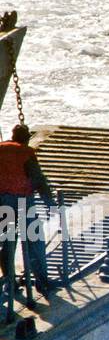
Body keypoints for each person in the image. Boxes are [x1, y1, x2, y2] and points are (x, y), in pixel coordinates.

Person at [1, 124, 55, 310]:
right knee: (34, 238)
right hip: (23, 200)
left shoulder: (1, 148)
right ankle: (41, 282)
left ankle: (10, 282)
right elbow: (38, 179)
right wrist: (50, 204)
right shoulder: (26, 152)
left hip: (2, 201)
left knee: (7, 241)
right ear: (26, 139)